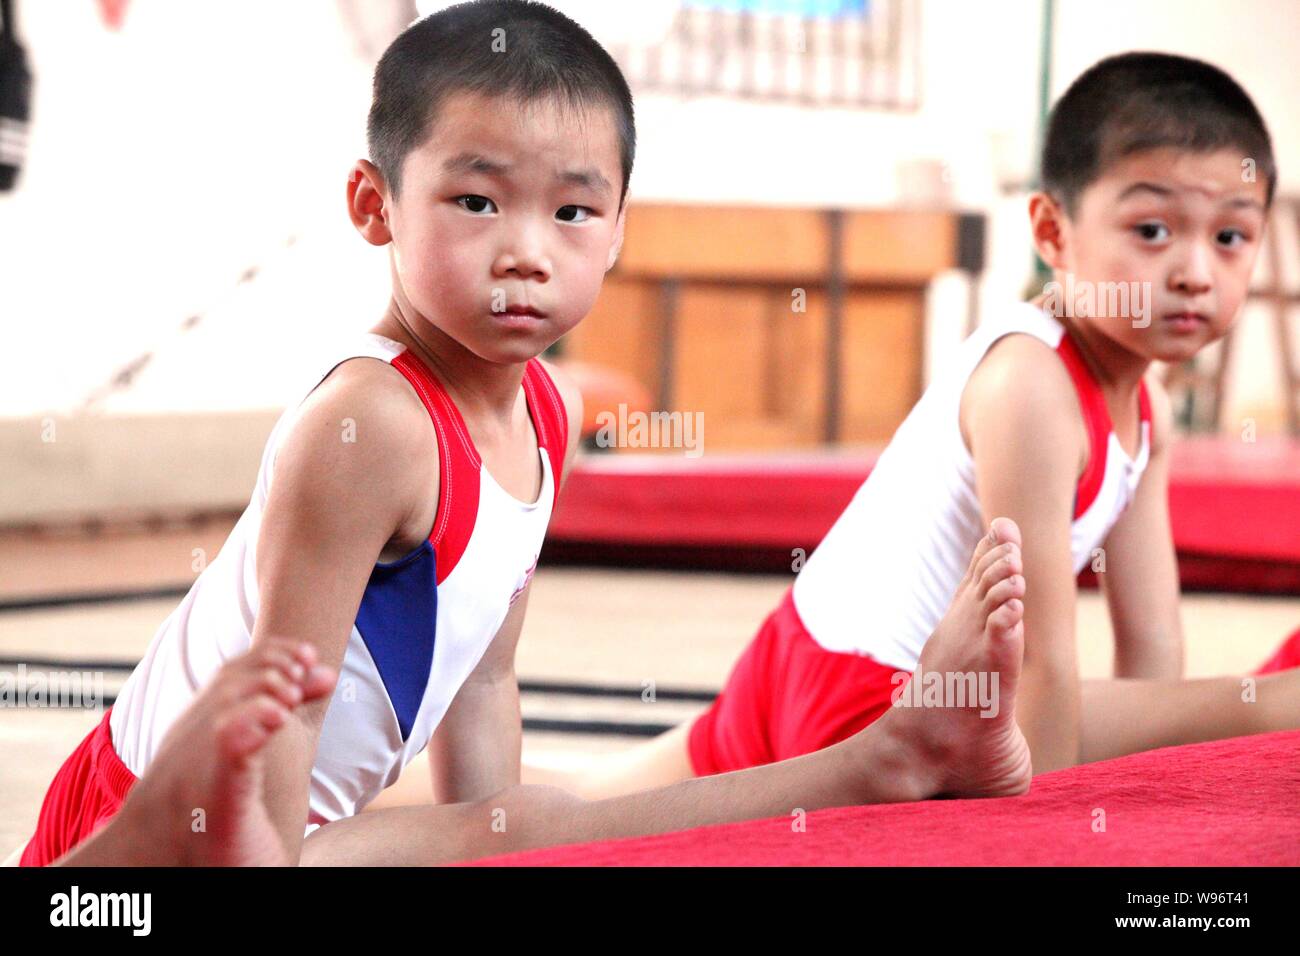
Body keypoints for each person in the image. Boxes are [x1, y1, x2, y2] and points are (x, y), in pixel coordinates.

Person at [16, 0, 1033, 868]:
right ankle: (878, 762)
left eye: (573, 212)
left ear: (621, 226)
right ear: (375, 205)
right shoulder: (368, 424)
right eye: (474, 200)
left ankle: (890, 756)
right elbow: (283, 709)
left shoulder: (544, 408)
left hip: (305, 819)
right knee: (547, 815)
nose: (525, 253)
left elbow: (487, 676)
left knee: (539, 819)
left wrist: (499, 842)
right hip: (171, 829)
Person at [529, 51, 1300, 801]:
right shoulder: (1033, 387)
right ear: (1052, 230)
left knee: (585, 802)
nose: (1196, 271)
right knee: (1240, 706)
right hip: (875, 697)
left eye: (1230, 237)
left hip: (803, 653)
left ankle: (435, 809)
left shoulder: (1148, 413)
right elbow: (1041, 669)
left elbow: (1153, 645)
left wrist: (1147, 781)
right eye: (1153, 231)